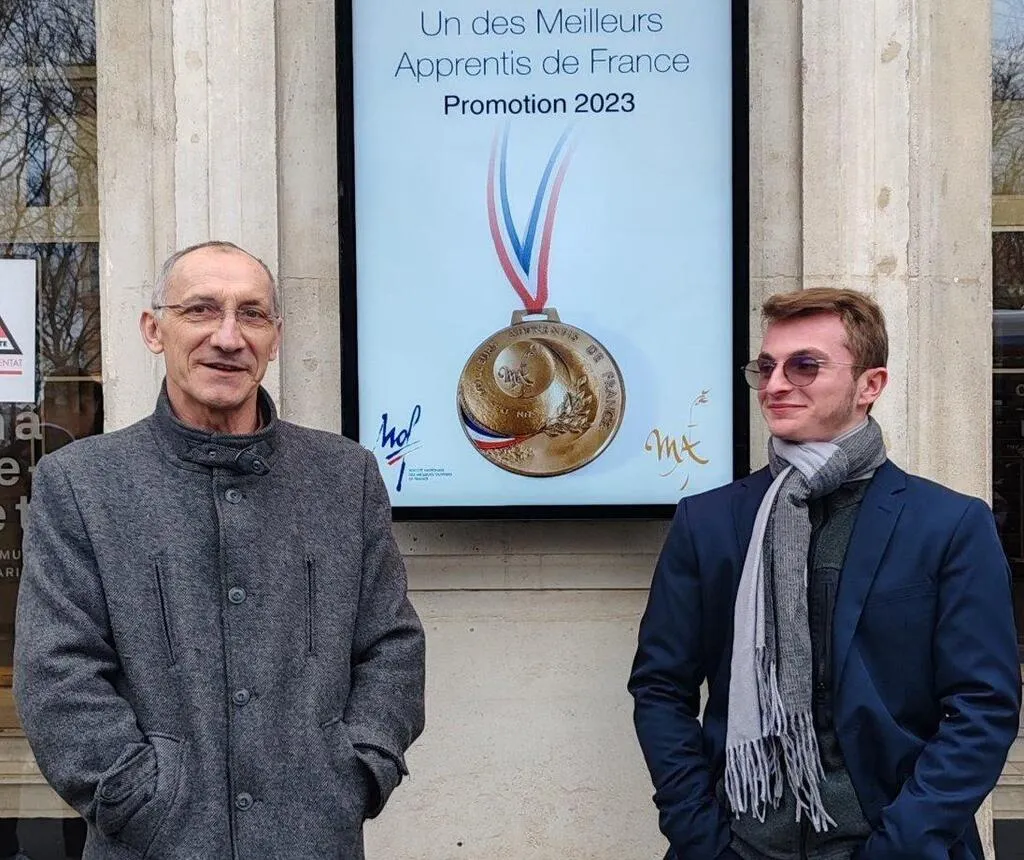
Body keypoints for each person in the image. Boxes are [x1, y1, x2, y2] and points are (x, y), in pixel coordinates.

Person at [14, 240, 425, 860]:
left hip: (313, 841)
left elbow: (391, 645)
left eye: (251, 314)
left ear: (275, 338)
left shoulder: (345, 478)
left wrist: (354, 772)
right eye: (202, 310)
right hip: (150, 845)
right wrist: (136, 798)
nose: (228, 337)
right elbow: (57, 670)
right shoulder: (82, 483)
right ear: (155, 330)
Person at [629, 288, 1021, 860]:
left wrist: (902, 845)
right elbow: (661, 688)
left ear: (871, 385)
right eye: (765, 367)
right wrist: (701, 836)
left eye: (804, 365)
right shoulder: (709, 521)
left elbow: (983, 705)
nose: (776, 383)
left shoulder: (949, 524)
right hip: (740, 844)